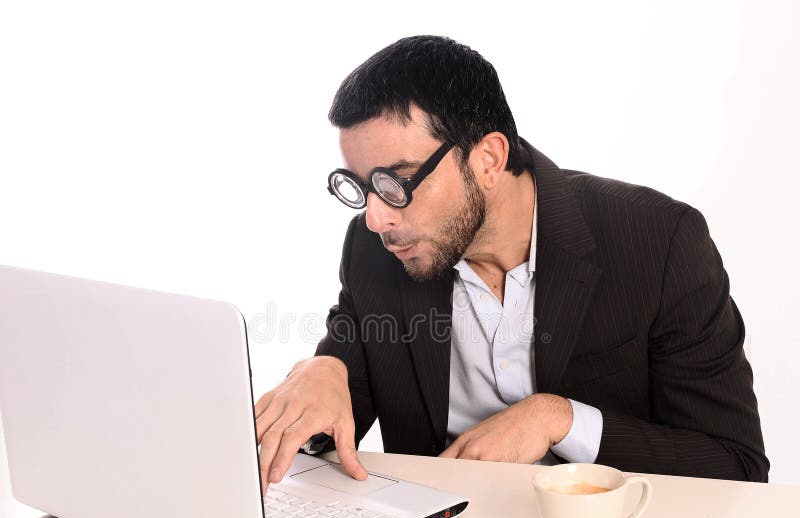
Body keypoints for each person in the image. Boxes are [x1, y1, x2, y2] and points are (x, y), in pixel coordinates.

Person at [254, 35, 768, 490]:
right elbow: (330, 425)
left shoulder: (658, 241)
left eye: (396, 183)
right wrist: (320, 375)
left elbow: (736, 466)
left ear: (489, 159)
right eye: (363, 187)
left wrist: (559, 420)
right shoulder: (375, 249)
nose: (376, 218)